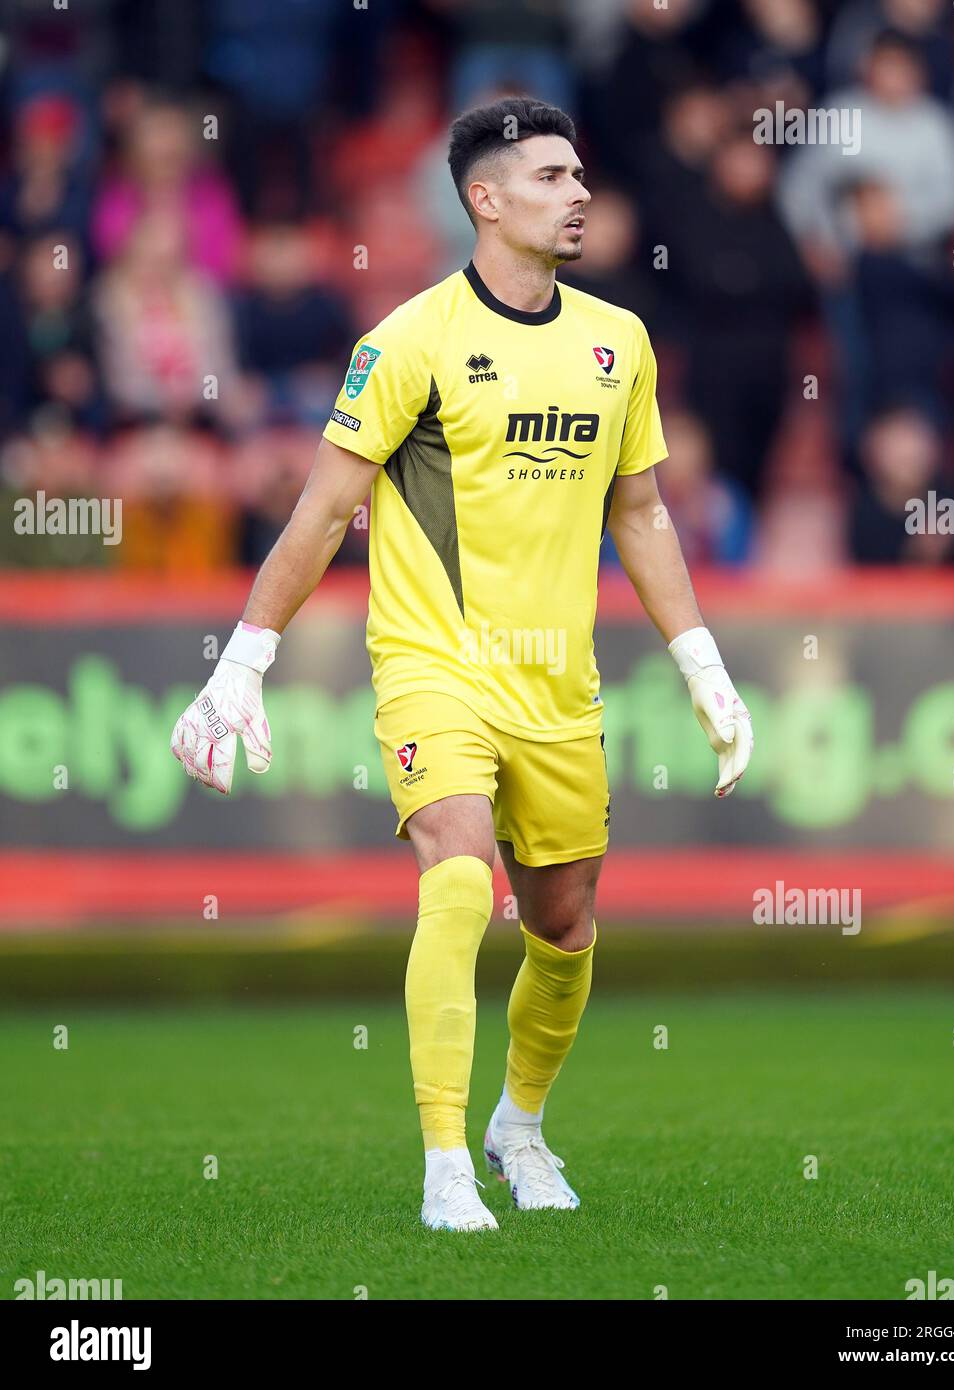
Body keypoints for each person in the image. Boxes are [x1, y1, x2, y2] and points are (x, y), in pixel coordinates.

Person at [169, 97, 754, 1233]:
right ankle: (444, 1159)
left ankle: (518, 1125)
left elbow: (640, 513)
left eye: (580, 175)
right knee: (455, 875)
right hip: (434, 665)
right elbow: (326, 506)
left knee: (567, 923)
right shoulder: (408, 342)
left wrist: (702, 663)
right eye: (550, 177)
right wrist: (242, 660)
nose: (578, 192)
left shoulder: (617, 342)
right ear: (486, 199)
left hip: (559, 684)